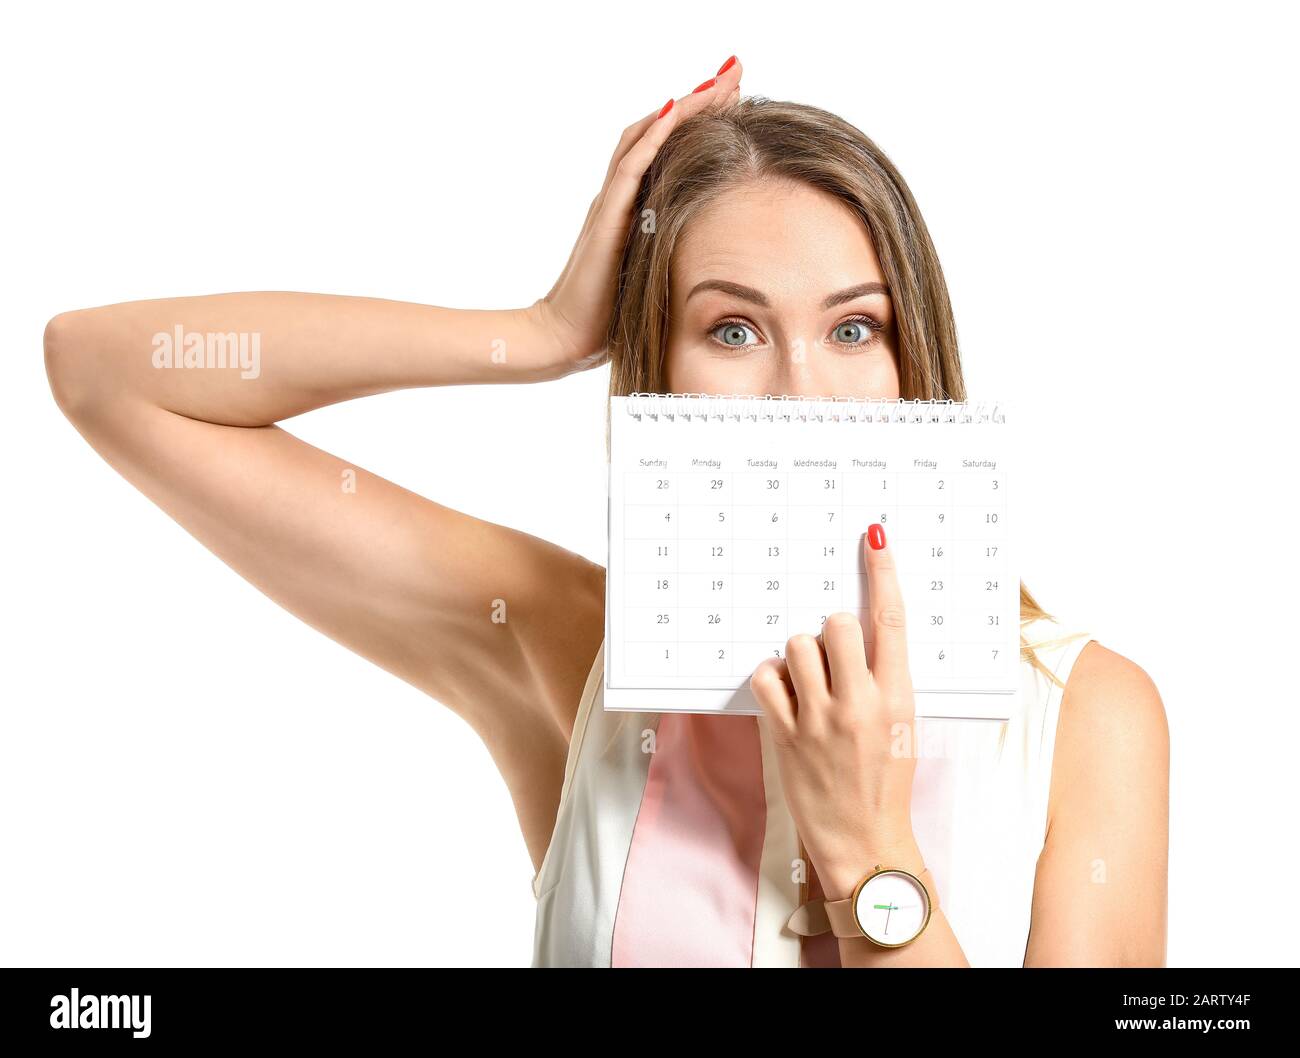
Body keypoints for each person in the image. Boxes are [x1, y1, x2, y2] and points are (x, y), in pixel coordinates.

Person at [43, 56, 1169, 967]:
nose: (799, 390)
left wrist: (868, 851)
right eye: (731, 329)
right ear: (657, 367)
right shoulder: (574, 648)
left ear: (913, 357)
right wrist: (532, 334)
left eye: (853, 328)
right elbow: (108, 375)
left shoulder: (1084, 715)